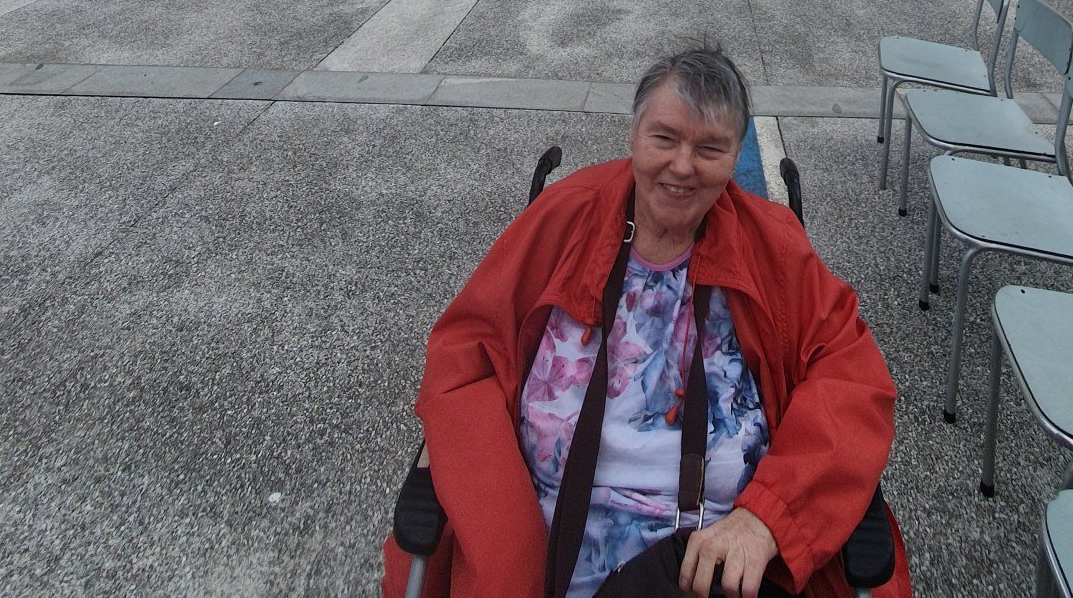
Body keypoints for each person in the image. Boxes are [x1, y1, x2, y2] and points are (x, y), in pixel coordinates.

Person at [381, 48, 908, 598]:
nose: (683, 165)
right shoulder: (563, 219)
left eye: (710, 148)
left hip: (707, 566)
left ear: (734, 159)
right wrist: (504, 546)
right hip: (546, 548)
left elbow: (853, 381)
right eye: (664, 139)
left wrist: (769, 517)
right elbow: (464, 359)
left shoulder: (771, 247)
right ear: (632, 136)